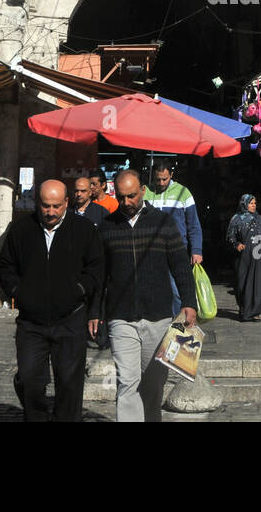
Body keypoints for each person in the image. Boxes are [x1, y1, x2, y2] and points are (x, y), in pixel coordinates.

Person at [89, 169, 197, 422]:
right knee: (127, 382)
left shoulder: (163, 222)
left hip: (158, 316)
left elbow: (180, 264)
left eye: (132, 196)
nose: (127, 203)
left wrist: (189, 303)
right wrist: (95, 311)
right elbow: (99, 275)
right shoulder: (106, 227)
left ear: (143, 192)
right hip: (121, 317)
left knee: (152, 385)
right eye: (122, 197)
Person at [0, 178, 104, 422]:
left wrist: (79, 290)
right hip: (31, 322)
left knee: (69, 382)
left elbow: (96, 269)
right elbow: (5, 266)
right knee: (29, 379)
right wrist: (18, 291)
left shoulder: (84, 230)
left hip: (70, 318)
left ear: (67, 202)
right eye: (46, 206)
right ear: (38, 203)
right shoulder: (21, 229)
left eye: (56, 206)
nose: (51, 212)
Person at [143, 159, 203, 316]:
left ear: (171, 175)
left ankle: (178, 325)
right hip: (151, 250)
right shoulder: (145, 192)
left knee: (176, 291)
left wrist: (196, 250)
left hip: (177, 249)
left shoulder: (184, 193)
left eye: (165, 179)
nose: (161, 183)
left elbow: (193, 225)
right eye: (157, 179)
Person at [226, 194, 261, 322]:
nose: (254, 205)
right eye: (251, 203)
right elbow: (230, 237)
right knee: (242, 283)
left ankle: (255, 312)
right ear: (244, 204)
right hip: (245, 254)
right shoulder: (236, 219)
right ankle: (244, 310)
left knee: (258, 282)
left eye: (255, 203)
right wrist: (236, 244)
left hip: (260, 252)